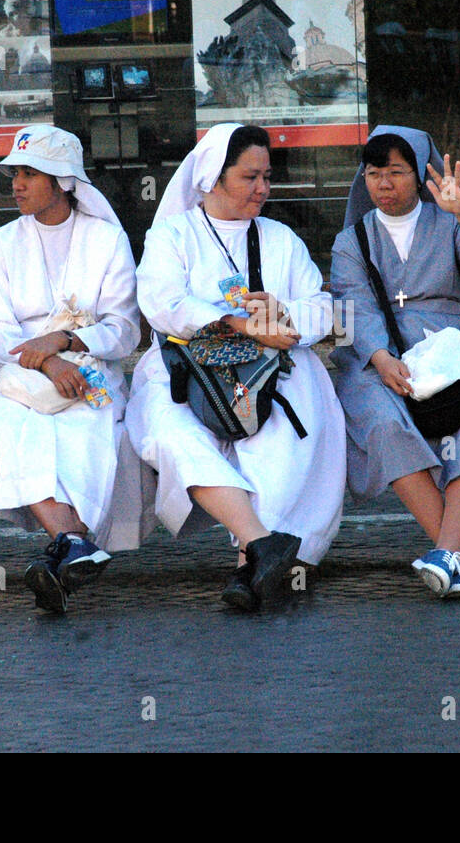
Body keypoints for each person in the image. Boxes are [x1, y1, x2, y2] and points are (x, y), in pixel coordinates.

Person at [125, 123, 346, 611]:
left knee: (278, 446)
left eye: (267, 177)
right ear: (212, 177)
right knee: (172, 435)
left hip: (276, 371)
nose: (263, 189)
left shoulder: (280, 238)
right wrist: (238, 324)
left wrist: (282, 315)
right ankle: (261, 547)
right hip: (187, 368)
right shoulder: (172, 235)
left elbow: (320, 308)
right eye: (250, 177)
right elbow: (161, 303)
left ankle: (249, 565)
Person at [329, 126, 460, 599]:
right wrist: (380, 357)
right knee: (380, 424)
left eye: (396, 172)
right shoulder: (350, 241)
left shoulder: (447, 222)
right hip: (377, 358)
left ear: (418, 174)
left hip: (451, 350)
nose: (383, 184)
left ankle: (447, 553)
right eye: (374, 173)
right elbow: (349, 310)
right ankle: (452, 554)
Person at [0, 125, 145, 614]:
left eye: (30, 174)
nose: (17, 183)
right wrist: (46, 359)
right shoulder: (1, 241)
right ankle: (74, 542)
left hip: (90, 367)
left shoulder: (107, 239)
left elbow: (124, 327)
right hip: (15, 373)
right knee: (13, 425)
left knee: (89, 427)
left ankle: (68, 550)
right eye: (15, 173)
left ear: (64, 180)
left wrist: (70, 342)